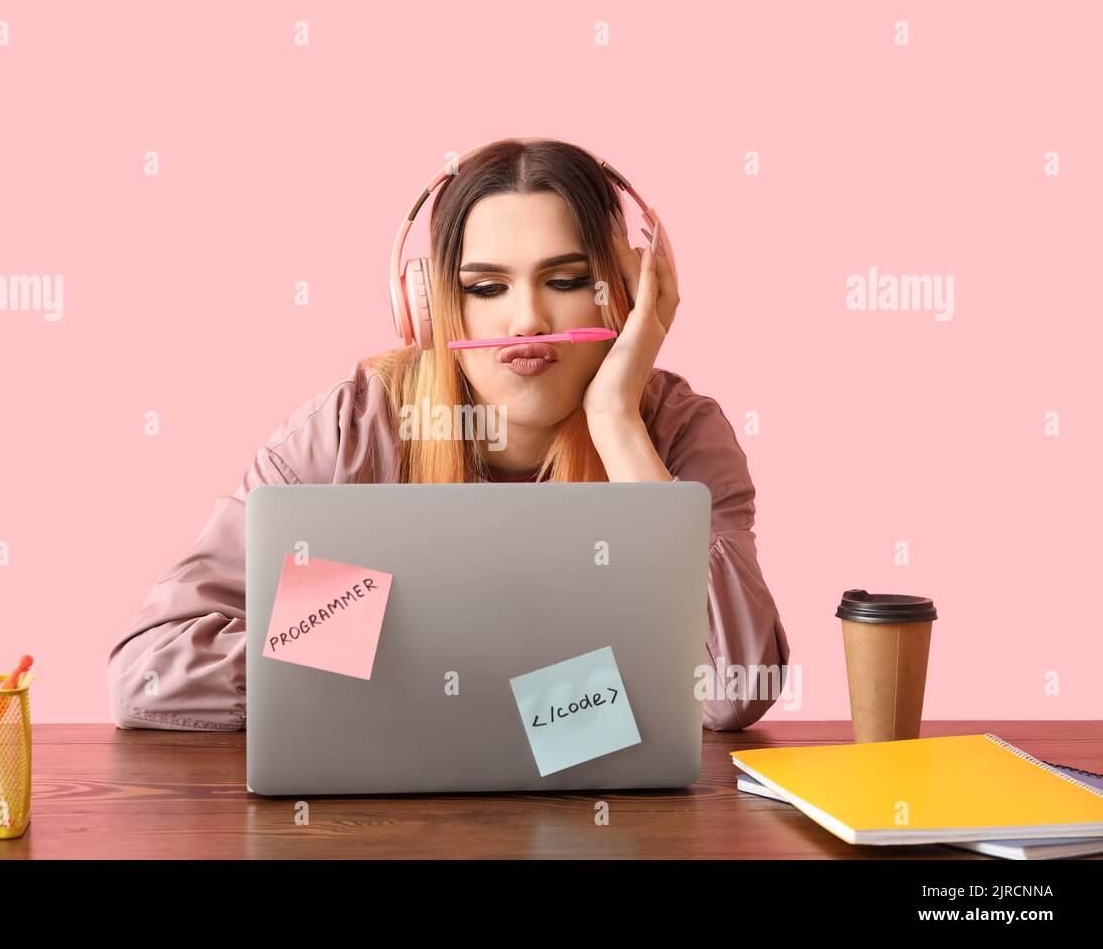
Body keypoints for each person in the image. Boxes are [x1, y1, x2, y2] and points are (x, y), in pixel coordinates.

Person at [107, 137, 790, 733]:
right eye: (486, 288)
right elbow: (149, 670)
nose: (525, 319)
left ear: (629, 292)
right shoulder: (353, 429)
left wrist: (616, 419)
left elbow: (731, 686)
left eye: (567, 279)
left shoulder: (675, 432)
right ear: (429, 309)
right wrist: (418, 646)